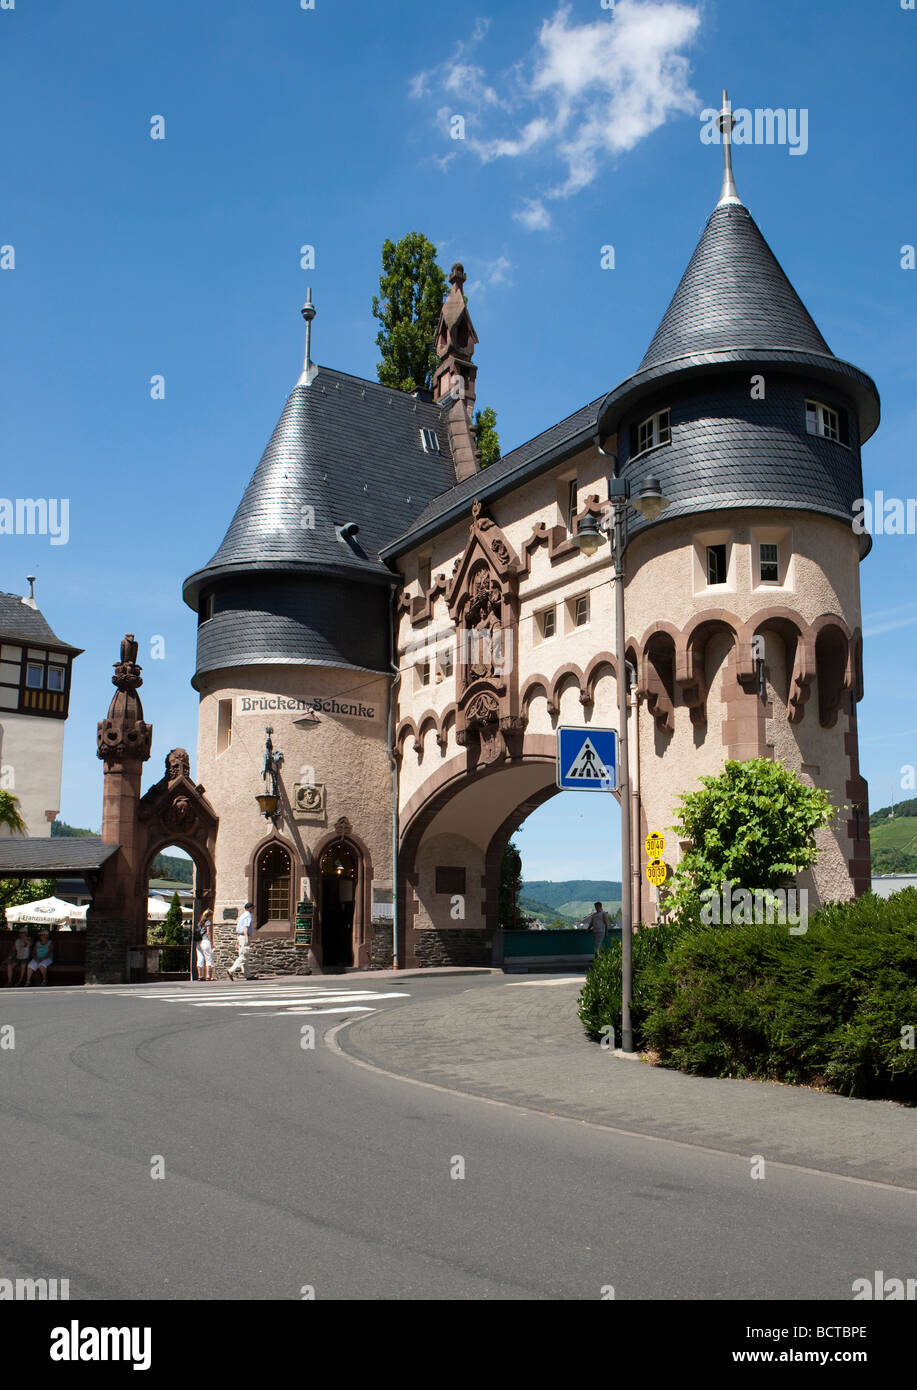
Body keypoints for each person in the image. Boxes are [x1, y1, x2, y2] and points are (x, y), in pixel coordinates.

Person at [226, 902, 254, 982]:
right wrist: (247, 938)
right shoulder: (248, 915)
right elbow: (245, 927)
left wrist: (237, 940)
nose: (253, 909)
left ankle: (248, 975)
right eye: (252, 908)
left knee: (244, 956)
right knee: (244, 955)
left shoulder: (242, 915)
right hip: (244, 936)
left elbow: (238, 929)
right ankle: (231, 970)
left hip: (240, 936)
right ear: (250, 908)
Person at [194, 911, 214, 982]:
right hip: (205, 941)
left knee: (200, 958)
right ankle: (209, 976)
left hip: (199, 942)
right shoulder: (208, 922)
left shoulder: (200, 922)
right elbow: (208, 933)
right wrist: (211, 942)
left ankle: (200, 976)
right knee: (209, 958)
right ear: (209, 916)